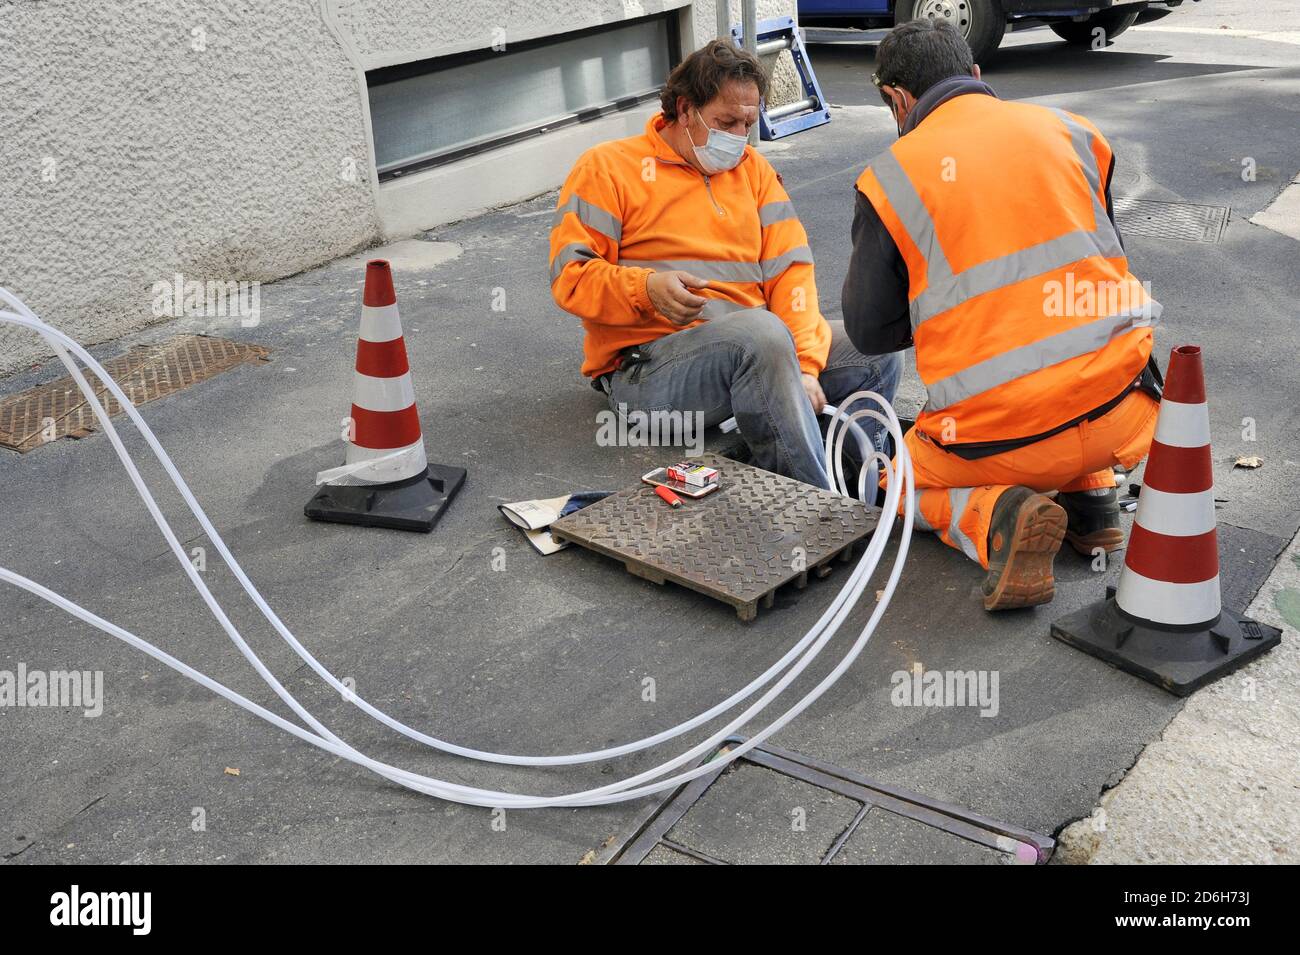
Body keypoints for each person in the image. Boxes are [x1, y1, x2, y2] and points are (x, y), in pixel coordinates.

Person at [843, 19, 1162, 611]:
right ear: (977, 75)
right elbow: (1106, 260)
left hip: (1001, 438)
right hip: (1127, 410)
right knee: (1067, 364)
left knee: (885, 483)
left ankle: (1001, 519)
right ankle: (1092, 502)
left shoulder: (890, 178)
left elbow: (870, 332)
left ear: (898, 100)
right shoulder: (1074, 132)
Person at [550, 40, 900, 489]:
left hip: (757, 350)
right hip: (645, 373)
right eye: (725, 122)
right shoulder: (607, 169)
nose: (737, 136)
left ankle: (867, 487)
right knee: (761, 334)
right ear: (684, 109)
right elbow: (570, 279)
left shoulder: (752, 170)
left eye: (748, 123)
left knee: (878, 342)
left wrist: (808, 367)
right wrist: (645, 289)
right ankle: (816, 511)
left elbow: (790, 272)